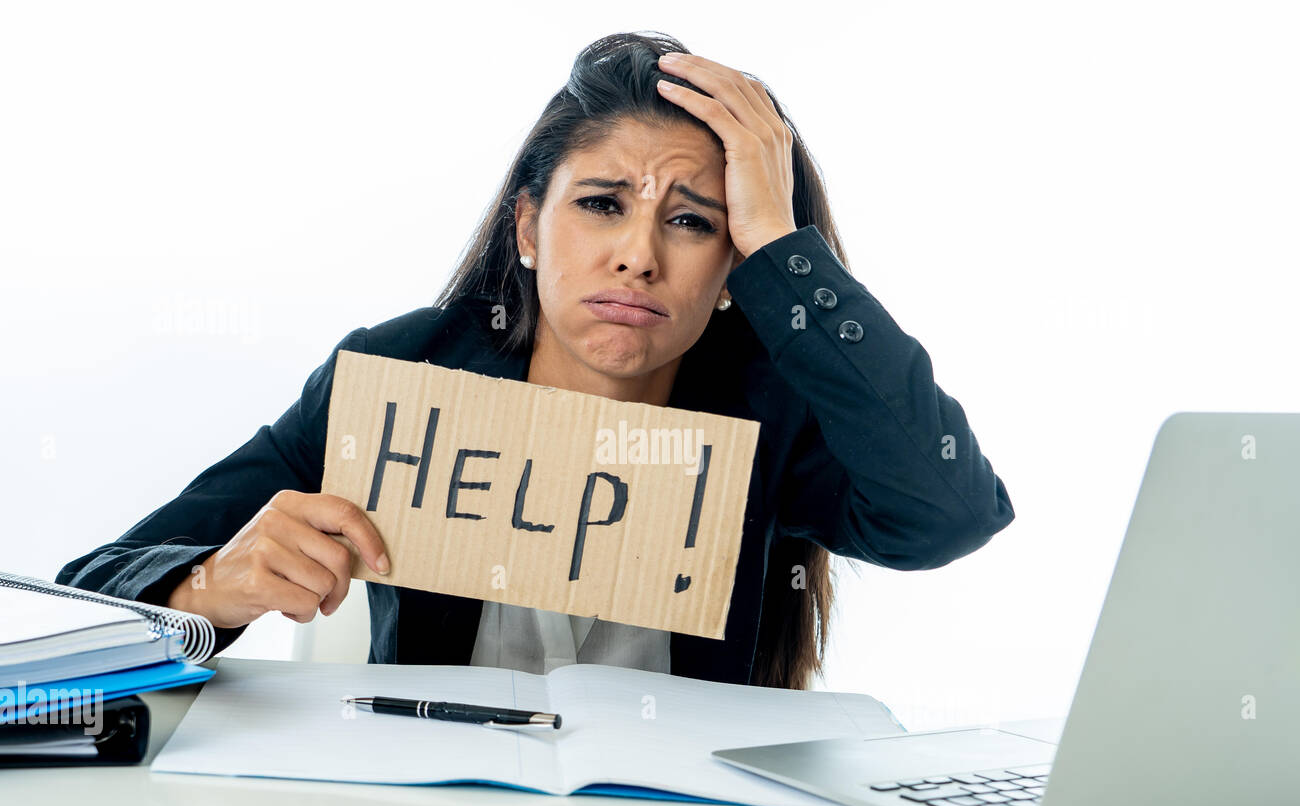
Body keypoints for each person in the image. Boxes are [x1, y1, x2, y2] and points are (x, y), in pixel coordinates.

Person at [55, 31, 1015, 690]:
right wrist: (206, 586)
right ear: (527, 225)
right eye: (602, 204)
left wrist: (781, 245)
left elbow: (948, 514)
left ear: (732, 269)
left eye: (692, 223)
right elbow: (75, 607)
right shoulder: (401, 377)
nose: (639, 254)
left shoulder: (771, 411)